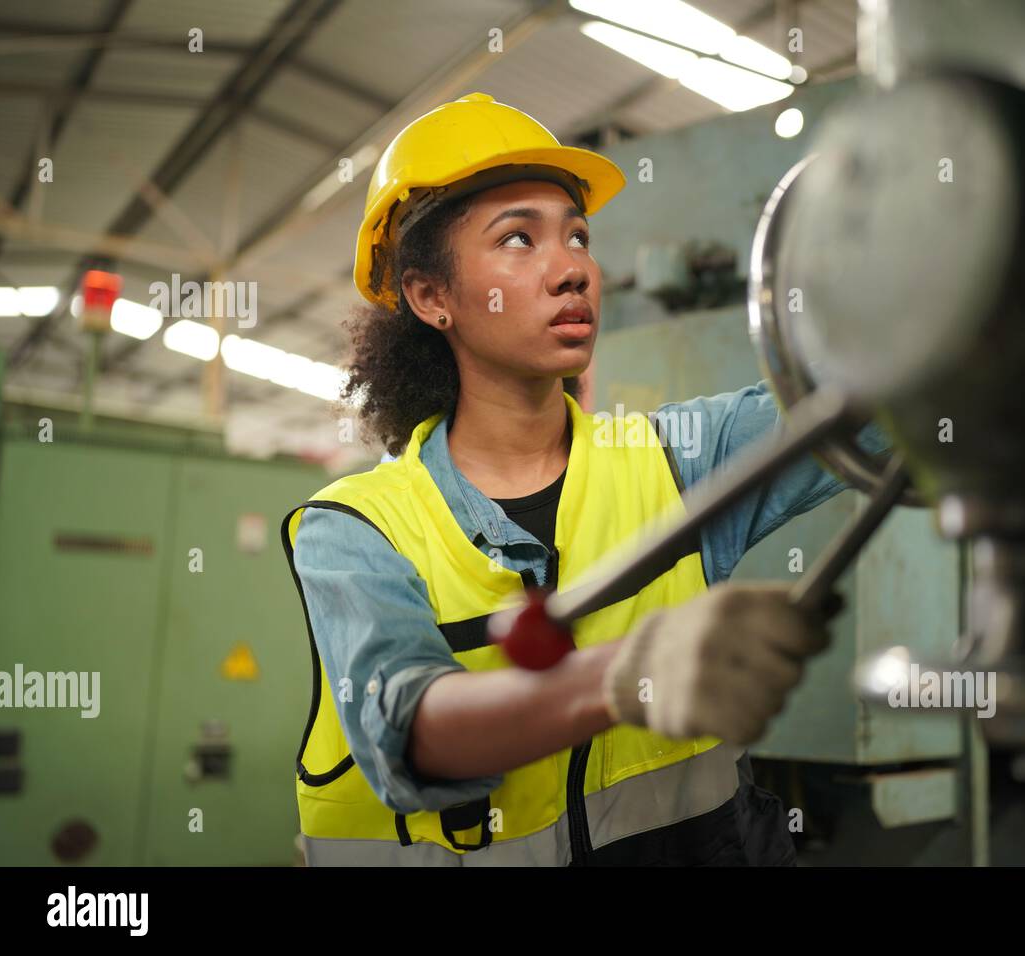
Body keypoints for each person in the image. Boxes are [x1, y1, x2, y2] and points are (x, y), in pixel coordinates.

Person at [280, 92, 888, 866]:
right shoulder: (354, 528)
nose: (572, 269)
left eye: (578, 236)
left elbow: (873, 407)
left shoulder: (681, 461)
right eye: (518, 240)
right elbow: (411, 727)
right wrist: (624, 679)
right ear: (431, 296)